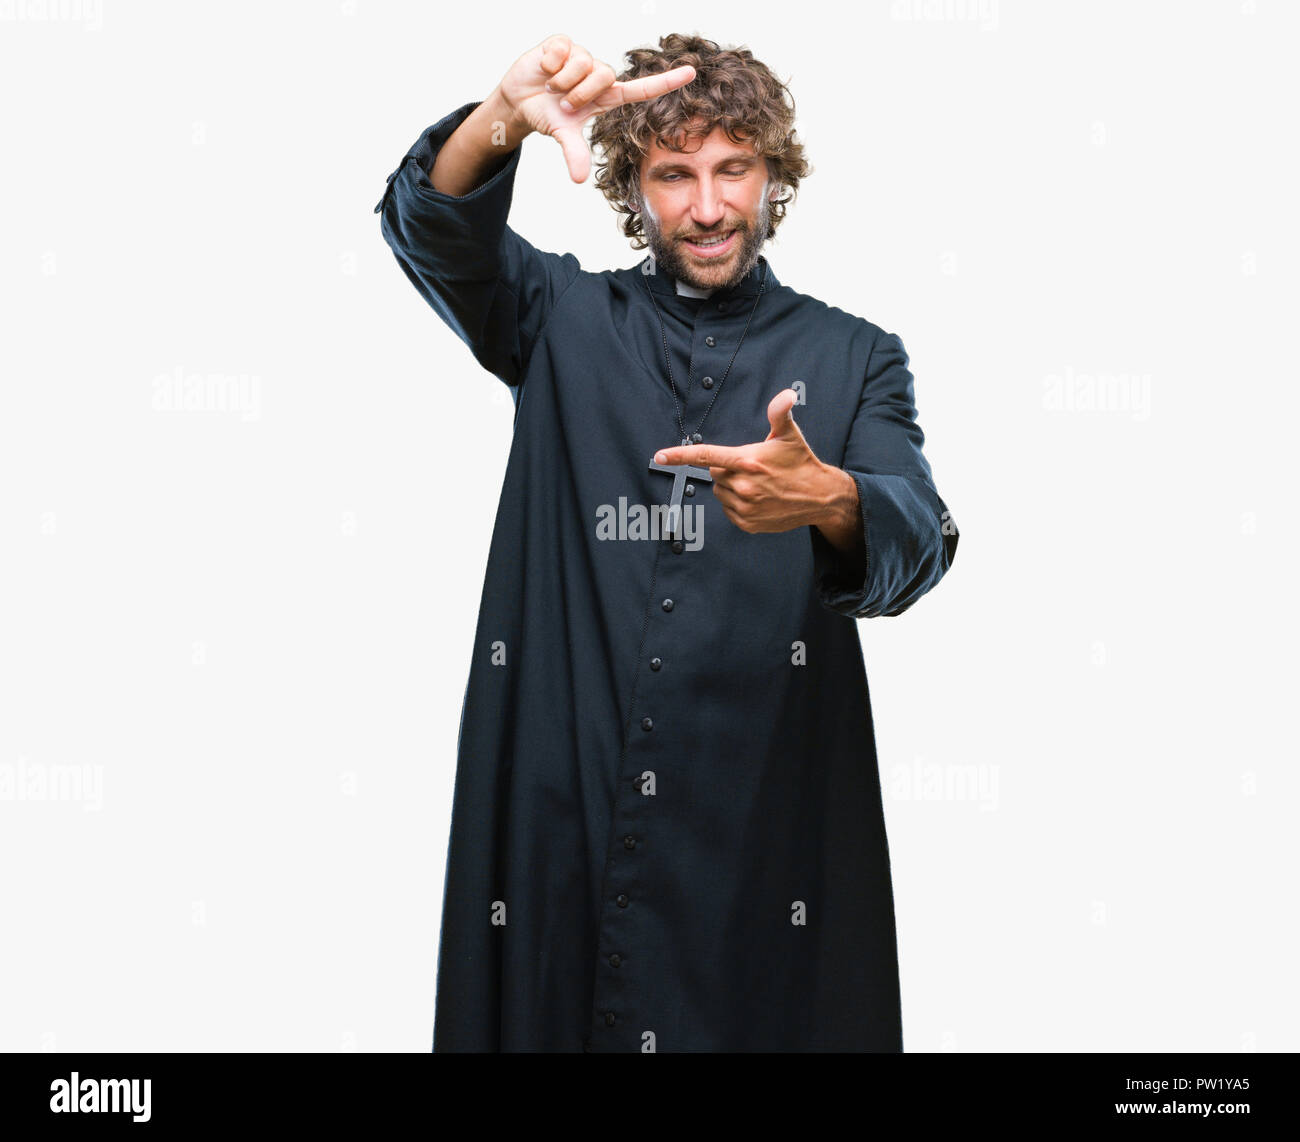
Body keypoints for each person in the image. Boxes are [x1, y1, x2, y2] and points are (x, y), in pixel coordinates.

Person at [375, 31, 959, 1052]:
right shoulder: (558, 315)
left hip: (759, 836)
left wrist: (828, 495)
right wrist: (502, 115)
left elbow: (919, 536)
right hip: (564, 814)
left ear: (772, 176)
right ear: (630, 187)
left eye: (734, 168)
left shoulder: (856, 355)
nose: (706, 206)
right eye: (672, 174)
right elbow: (433, 230)